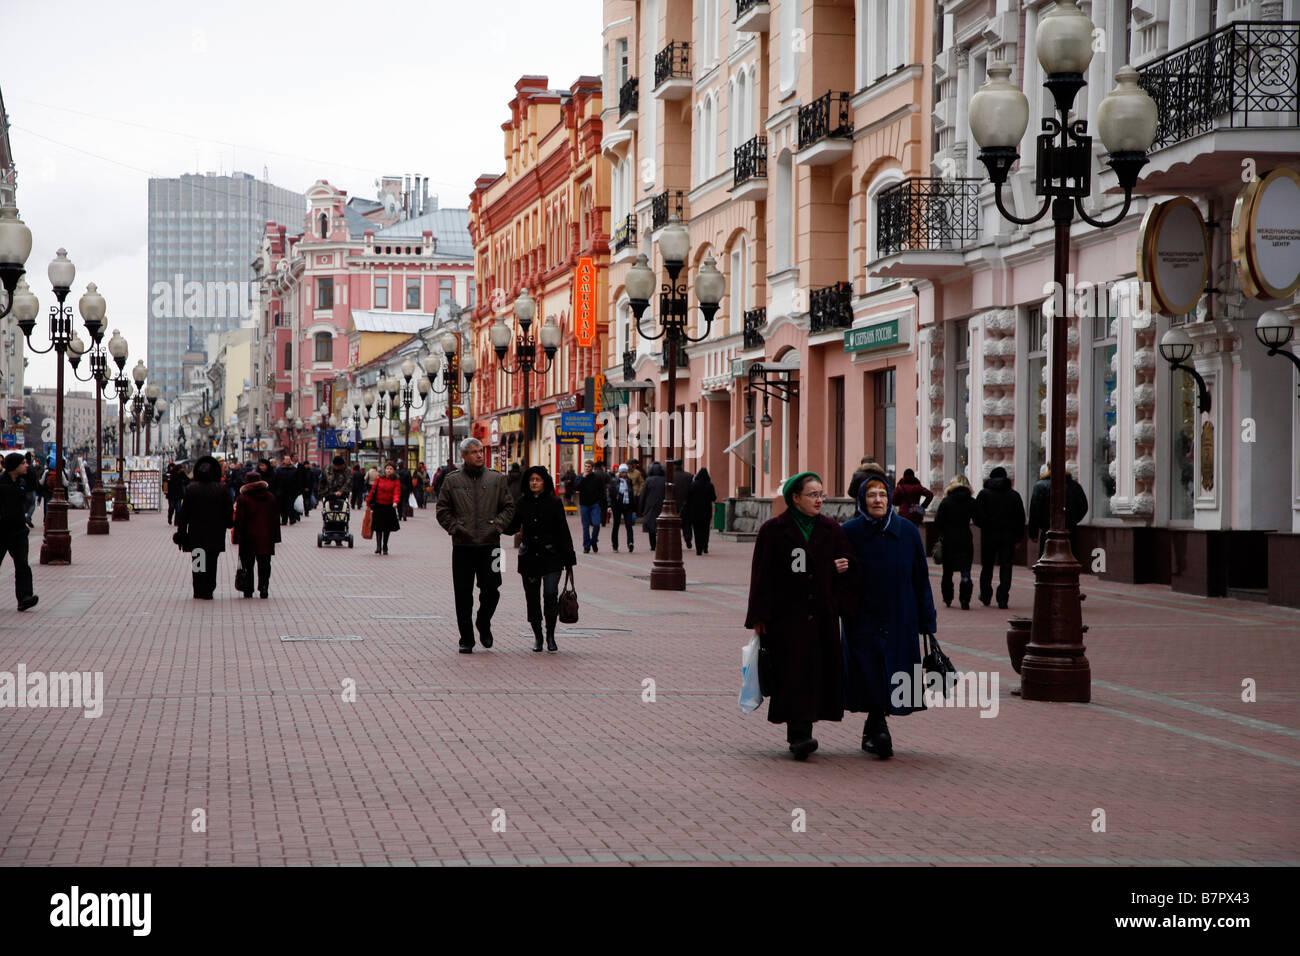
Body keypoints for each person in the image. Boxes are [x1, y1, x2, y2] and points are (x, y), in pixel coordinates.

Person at [745, 472, 855, 760]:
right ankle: (798, 735)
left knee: (817, 672)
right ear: (795, 498)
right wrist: (758, 617)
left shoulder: (832, 529)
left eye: (822, 494)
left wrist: (844, 572)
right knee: (791, 673)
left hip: (822, 616)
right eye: (812, 495)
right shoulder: (773, 530)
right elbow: (761, 576)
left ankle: (806, 729)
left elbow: (850, 568)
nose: (819, 500)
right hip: (786, 617)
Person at [841, 466, 938, 759]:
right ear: (862, 499)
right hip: (862, 616)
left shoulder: (907, 532)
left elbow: (920, 577)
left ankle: (877, 724)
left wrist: (927, 619)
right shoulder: (848, 533)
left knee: (895, 669)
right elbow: (837, 573)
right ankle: (877, 723)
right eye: (871, 495)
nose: (878, 500)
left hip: (900, 615)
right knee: (868, 669)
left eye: (883, 494)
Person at [435, 438, 515, 653]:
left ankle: (483, 621)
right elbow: (442, 510)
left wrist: (496, 527)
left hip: (492, 545)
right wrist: (456, 527)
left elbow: (508, 507)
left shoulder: (497, 479)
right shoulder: (452, 480)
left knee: (493, 589)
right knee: (462, 593)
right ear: (464, 456)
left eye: (481, 451)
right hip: (462, 546)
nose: (480, 455)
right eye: (474, 452)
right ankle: (466, 638)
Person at [504, 465, 577, 652]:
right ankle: (538, 636)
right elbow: (512, 526)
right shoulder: (522, 503)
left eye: (538, 479)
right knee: (533, 599)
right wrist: (496, 520)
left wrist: (569, 559)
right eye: (531, 480)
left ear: (544, 482)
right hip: (529, 558)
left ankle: (551, 635)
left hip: (551, 557)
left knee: (550, 595)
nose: (534, 483)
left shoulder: (554, 502)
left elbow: (563, 531)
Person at [175, 455, 233, 600]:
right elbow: (228, 511)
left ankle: (199, 589)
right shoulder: (221, 489)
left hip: (197, 533)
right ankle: (209, 589)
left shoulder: (191, 489)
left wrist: (181, 532)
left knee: (198, 562)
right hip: (215, 533)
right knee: (212, 562)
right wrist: (228, 524)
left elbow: (184, 513)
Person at [974, 465, 1026, 610]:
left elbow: (977, 516)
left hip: (989, 536)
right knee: (1006, 566)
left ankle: (985, 595)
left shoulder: (984, 494)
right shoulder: (1014, 495)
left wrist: (986, 525)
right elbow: (1020, 518)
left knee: (987, 566)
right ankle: (1002, 598)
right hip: (1008, 537)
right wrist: (1019, 537)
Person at [932, 474, 979, 610]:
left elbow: (938, 522)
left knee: (947, 572)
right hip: (965, 539)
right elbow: (978, 519)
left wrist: (942, 533)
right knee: (966, 572)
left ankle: (947, 598)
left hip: (949, 541)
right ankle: (965, 600)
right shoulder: (971, 501)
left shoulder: (946, 502)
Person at [233, 468, 280, 598]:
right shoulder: (270, 497)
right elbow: (275, 518)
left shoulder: (243, 499)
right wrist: (275, 537)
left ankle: (248, 589)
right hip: (266, 537)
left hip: (248, 538)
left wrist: (237, 538)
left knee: (248, 564)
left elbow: (239, 520)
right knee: (265, 564)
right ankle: (263, 588)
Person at [1027, 464, 1090, 561]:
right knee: (1070, 559)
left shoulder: (1040, 486)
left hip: (1048, 530)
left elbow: (1035, 510)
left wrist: (1033, 533)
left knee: (1046, 559)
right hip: (1070, 531)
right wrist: (1072, 521)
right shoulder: (1075, 486)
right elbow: (1083, 507)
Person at [1, 453, 39, 611]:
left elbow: (34, 484)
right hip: (1, 530)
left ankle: (25, 597)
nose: (27, 465)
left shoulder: (23, 481)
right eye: (23, 463)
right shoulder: (1, 483)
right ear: (14, 467)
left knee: (22, 564)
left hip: (19, 530)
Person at [367, 462, 402, 555]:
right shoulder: (379, 478)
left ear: (394, 470)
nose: (389, 470)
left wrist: (395, 502)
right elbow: (373, 490)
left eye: (391, 469)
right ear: (384, 470)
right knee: (378, 527)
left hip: (389, 506)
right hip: (378, 505)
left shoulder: (396, 480)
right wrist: (368, 501)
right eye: (387, 468)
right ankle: (378, 546)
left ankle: (385, 546)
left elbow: (397, 492)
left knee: (387, 528)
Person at [576, 459, 607, 554]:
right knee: (585, 527)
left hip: (595, 505)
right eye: (585, 466)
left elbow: (602, 491)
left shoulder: (597, 478)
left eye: (589, 467)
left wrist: (604, 504)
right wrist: (583, 478)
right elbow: (576, 487)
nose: (587, 468)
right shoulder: (580, 477)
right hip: (584, 505)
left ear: (592, 468)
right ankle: (586, 546)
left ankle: (593, 542)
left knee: (596, 524)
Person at [685, 467, 717, 556]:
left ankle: (698, 549)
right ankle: (705, 546)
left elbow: (688, 498)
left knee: (697, 530)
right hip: (706, 511)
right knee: (705, 530)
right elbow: (714, 498)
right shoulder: (710, 485)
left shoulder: (693, 485)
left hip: (695, 511)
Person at [606, 463, 636, 553]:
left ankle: (630, 543)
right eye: (622, 472)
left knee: (629, 525)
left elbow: (632, 495)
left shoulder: (629, 481)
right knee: (616, 525)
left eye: (625, 472)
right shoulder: (614, 481)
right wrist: (609, 505)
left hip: (627, 506)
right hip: (617, 506)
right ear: (619, 472)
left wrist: (634, 509)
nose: (624, 474)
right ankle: (615, 545)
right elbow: (610, 495)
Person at [639, 461, 666, 551]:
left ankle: (653, 545)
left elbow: (643, 494)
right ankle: (661, 543)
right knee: (662, 526)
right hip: (662, 505)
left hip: (650, 505)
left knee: (651, 526)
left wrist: (641, 508)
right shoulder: (664, 480)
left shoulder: (648, 480)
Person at [670, 459, 694, 550]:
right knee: (686, 523)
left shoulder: (670, 477)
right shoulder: (689, 476)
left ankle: (675, 542)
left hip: (673, 505)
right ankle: (688, 539)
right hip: (686, 504)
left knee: (674, 524)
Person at [274, 455, 300, 526]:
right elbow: (276, 481)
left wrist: (297, 491)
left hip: (291, 491)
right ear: (283, 460)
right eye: (286, 459)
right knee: (282, 507)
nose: (288, 461)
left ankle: (292, 519)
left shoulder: (294, 469)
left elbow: (297, 481)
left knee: (290, 506)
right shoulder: (279, 470)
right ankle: (284, 520)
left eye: (289, 460)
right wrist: (277, 490)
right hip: (281, 491)